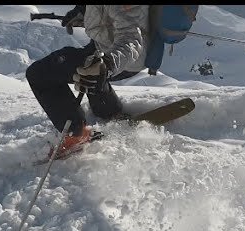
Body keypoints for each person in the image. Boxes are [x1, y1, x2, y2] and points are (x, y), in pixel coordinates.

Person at [25, 5, 151, 158]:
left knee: (39, 74)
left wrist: (108, 65)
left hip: (122, 59)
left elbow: (131, 38)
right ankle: (109, 112)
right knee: (90, 70)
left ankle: (76, 133)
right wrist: (82, 12)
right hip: (106, 50)